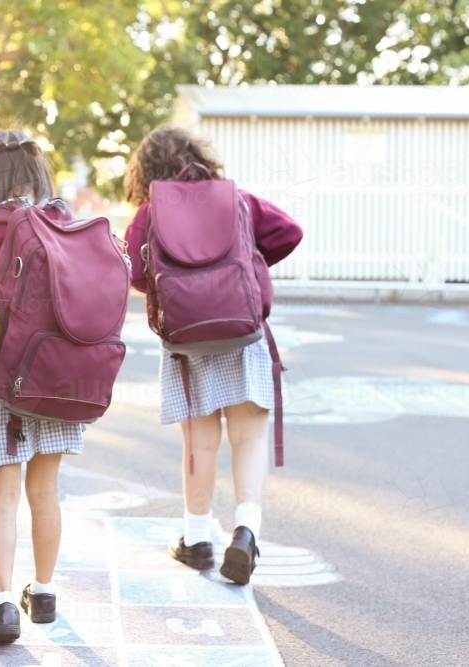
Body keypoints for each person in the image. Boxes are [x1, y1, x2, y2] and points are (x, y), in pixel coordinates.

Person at [123, 126, 302, 584]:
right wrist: (244, 263)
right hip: (243, 332)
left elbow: (136, 272)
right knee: (249, 438)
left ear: (145, 172)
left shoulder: (150, 211)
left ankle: (197, 540)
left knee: (199, 443)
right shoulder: (237, 199)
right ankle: (245, 531)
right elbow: (289, 232)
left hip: (187, 341)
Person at [0, 129, 82, 643]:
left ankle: (4, 603)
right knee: (45, 491)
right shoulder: (66, 222)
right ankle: (45, 592)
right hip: (60, 381)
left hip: (2, 383)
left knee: (2, 496)